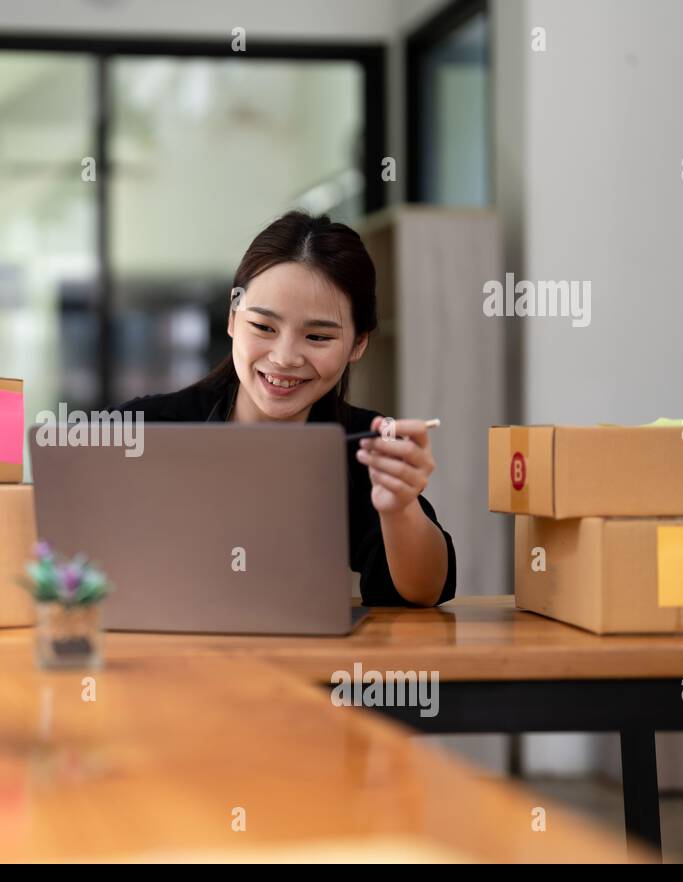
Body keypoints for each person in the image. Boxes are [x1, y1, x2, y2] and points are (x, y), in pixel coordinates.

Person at [116, 209, 455, 607]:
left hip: (304, 665)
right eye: (263, 328)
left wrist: (399, 508)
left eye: (317, 336)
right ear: (232, 317)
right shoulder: (144, 430)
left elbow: (425, 593)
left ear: (358, 344)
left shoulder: (364, 446)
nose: (284, 358)